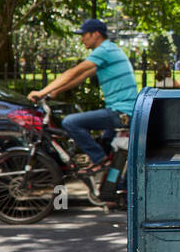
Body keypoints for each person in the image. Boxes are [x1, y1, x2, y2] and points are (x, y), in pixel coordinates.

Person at [28, 19, 138, 174]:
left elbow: (74, 72)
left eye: (84, 34)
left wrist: (42, 92)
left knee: (70, 122)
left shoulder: (104, 50)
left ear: (96, 34)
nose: (82, 39)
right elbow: (82, 76)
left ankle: (100, 161)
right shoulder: (110, 50)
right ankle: (110, 190)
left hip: (120, 113)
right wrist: (57, 91)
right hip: (122, 111)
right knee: (108, 150)